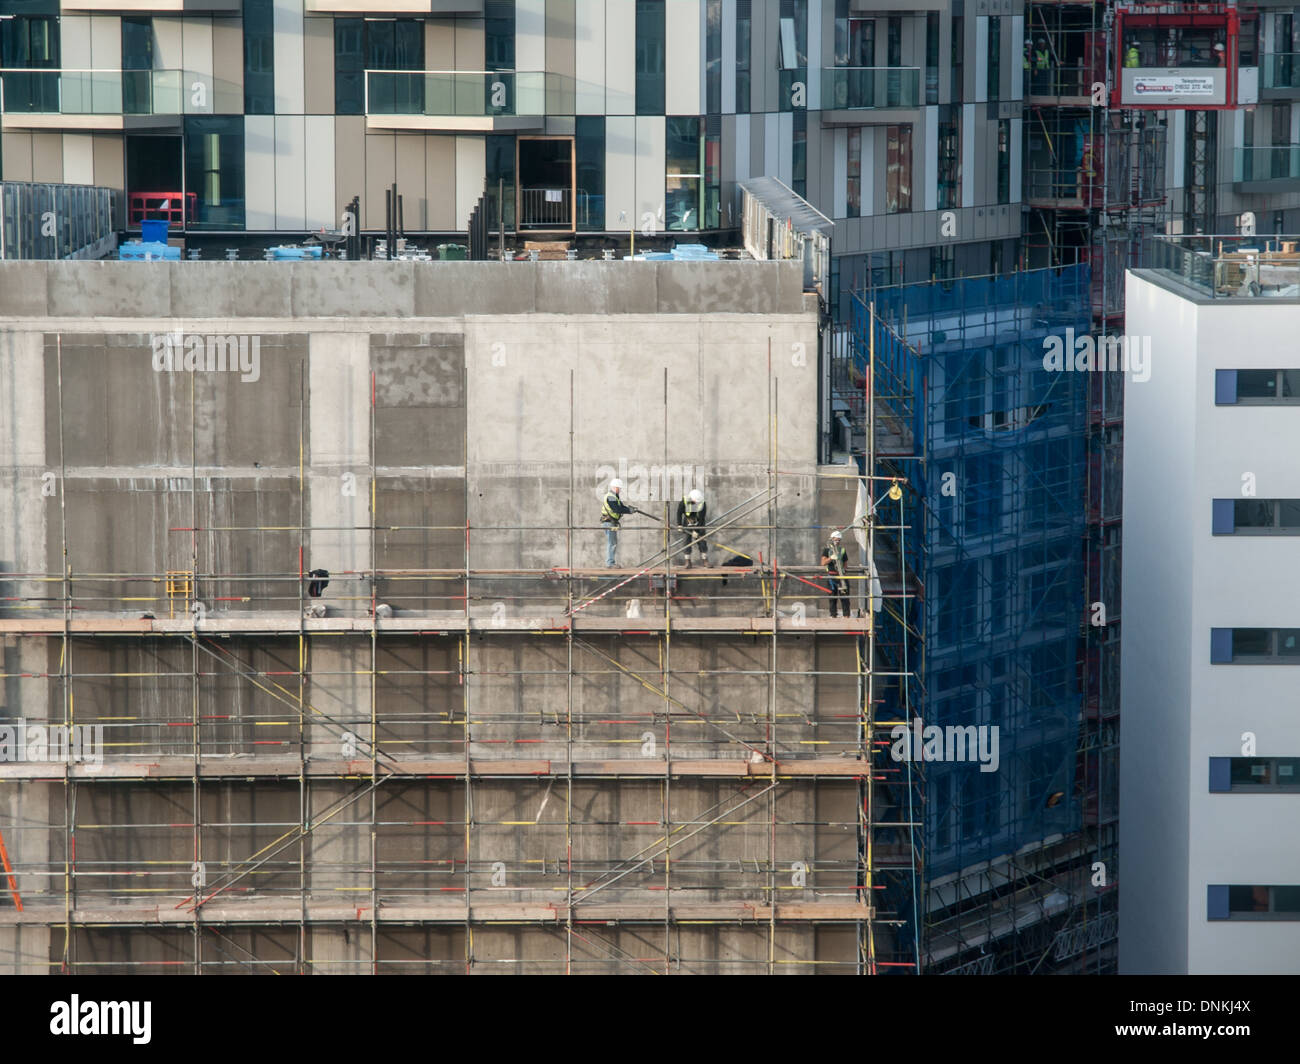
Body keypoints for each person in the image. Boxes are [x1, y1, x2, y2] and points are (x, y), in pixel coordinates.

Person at [600, 478, 636, 568]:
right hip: (609, 522)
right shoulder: (611, 497)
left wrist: (629, 509)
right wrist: (629, 511)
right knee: (612, 543)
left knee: (612, 542)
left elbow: (621, 506)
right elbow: (616, 509)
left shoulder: (614, 496)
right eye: (619, 488)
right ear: (615, 487)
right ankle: (610, 563)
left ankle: (610, 562)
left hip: (610, 522)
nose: (620, 490)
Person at [820, 529, 850, 619]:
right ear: (832, 539)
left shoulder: (842, 550)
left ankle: (846, 616)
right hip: (831, 576)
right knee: (832, 596)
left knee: (844, 596)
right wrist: (831, 558)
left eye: (839, 540)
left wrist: (843, 570)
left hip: (841, 575)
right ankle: (833, 615)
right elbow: (823, 563)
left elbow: (845, 563)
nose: (837, 542)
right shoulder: (827, 550)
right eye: (836, 540)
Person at [675, 488, 708, 567]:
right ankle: (688, 561)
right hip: (687, 521)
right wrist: (679, 525)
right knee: (686, 541)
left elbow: (701, 518)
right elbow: (679, 513)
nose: (696, 503)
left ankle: (705, 560)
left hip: (699, 522)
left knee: (702, 541)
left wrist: (696, 531)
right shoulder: (684, 501)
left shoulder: (702, 503)